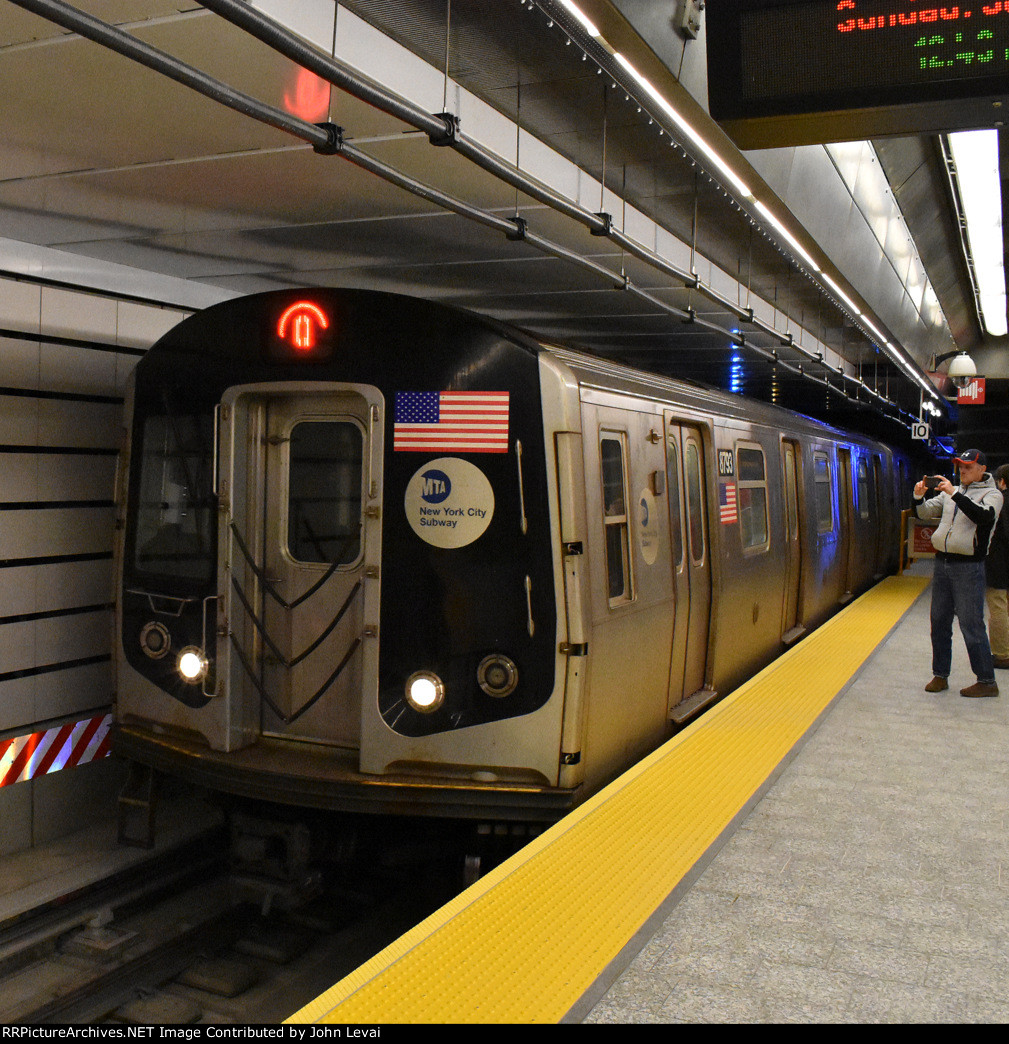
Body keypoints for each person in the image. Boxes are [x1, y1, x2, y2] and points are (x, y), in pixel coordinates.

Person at [913, 449, 1004, 698]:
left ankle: (987, 680)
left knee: (971, 624)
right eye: (960, 466)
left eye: (968, 467)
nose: (962, 470)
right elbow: (924, 513)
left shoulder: (993, 494)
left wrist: (954, 494)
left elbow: (983, 517)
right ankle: (940, 675)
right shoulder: (952, 493)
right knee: (939, 622)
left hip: (968, 568)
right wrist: (918, 497)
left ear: (982, 469)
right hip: (942, 564)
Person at [986, 463, 1009, 670]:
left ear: (1002, 482)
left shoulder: (1002, 502)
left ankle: (1002, 654)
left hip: (1000, 563)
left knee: (998, 605)